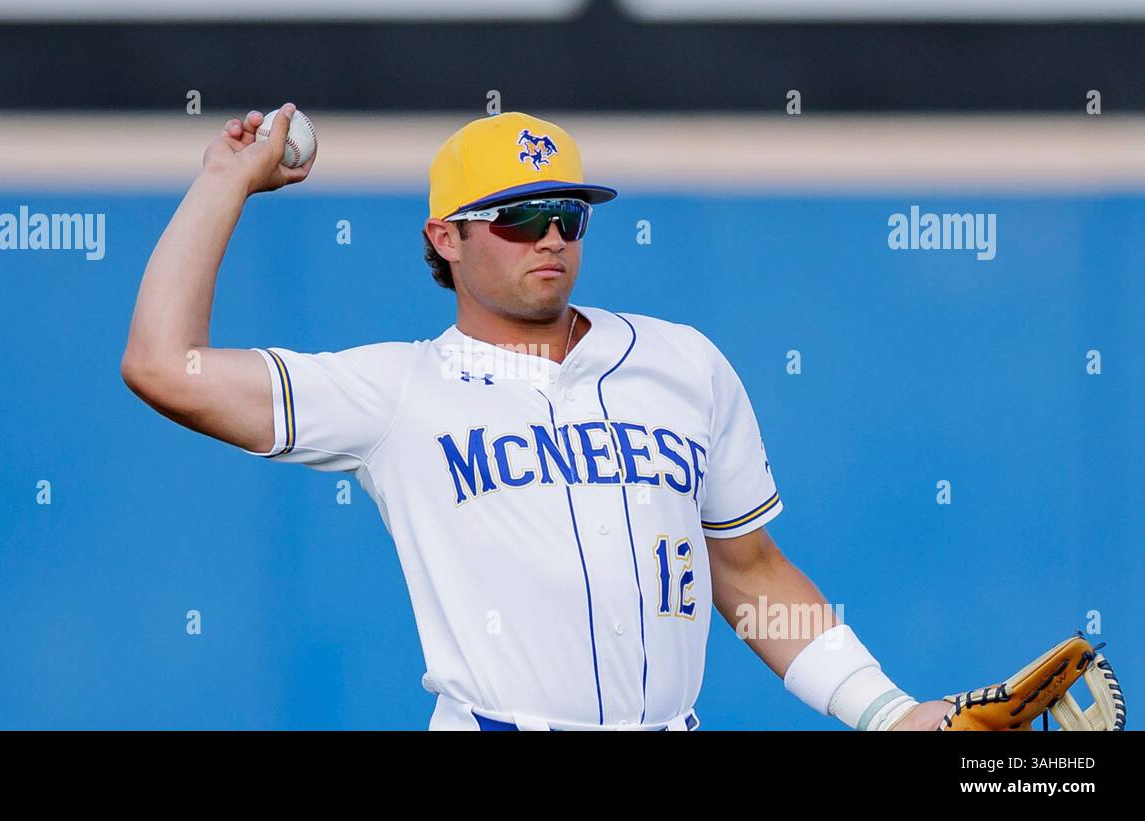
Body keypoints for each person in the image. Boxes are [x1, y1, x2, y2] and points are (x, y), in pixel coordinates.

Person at [121, 104, 952, 731]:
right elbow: (162, 366)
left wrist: (887, 712)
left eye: (569, 213)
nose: (550, 236)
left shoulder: (683, 362)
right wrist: (223, 181)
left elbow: (749, 570)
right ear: (446, 237)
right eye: (519, 217)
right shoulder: (396, 391)